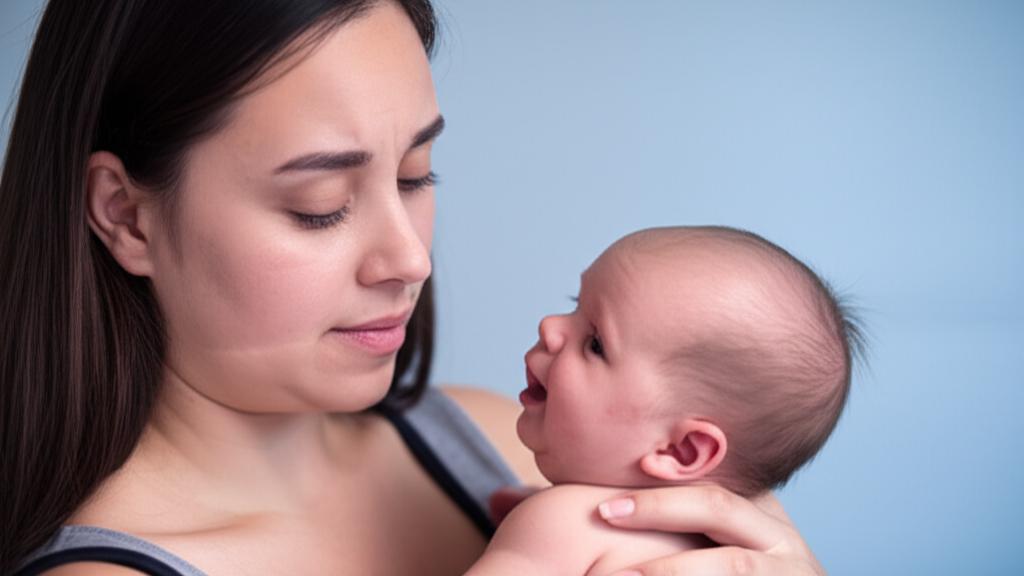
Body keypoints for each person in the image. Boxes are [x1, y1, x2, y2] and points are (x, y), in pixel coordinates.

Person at [0, 1, 826, 575]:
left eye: (417, 174)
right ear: (126, 217)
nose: (410, 259)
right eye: (319, 207)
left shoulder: (511, 442)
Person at [465, 226, 863, 575]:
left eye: (596, 343)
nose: (549, 326)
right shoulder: (741, 554)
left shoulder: (564, 520)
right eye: (575, 303)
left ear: (682, 449)